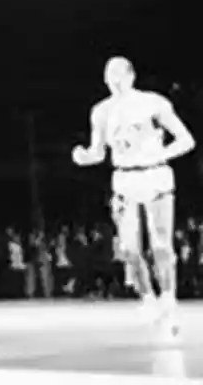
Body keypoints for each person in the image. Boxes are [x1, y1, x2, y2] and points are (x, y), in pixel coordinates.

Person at [72, 56, 195, 340]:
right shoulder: (100, 111)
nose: (113, 80)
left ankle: (169, 298)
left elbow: (186, 139)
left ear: (131, 76)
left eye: (118, 74)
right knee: (129, 247)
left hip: (155, 175)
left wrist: (159, 154)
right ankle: (148, 299)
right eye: (108, 75)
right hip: (124, 178)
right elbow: (99, 151)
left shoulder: (154, 103)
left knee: (161, 243)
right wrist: (84, 157)